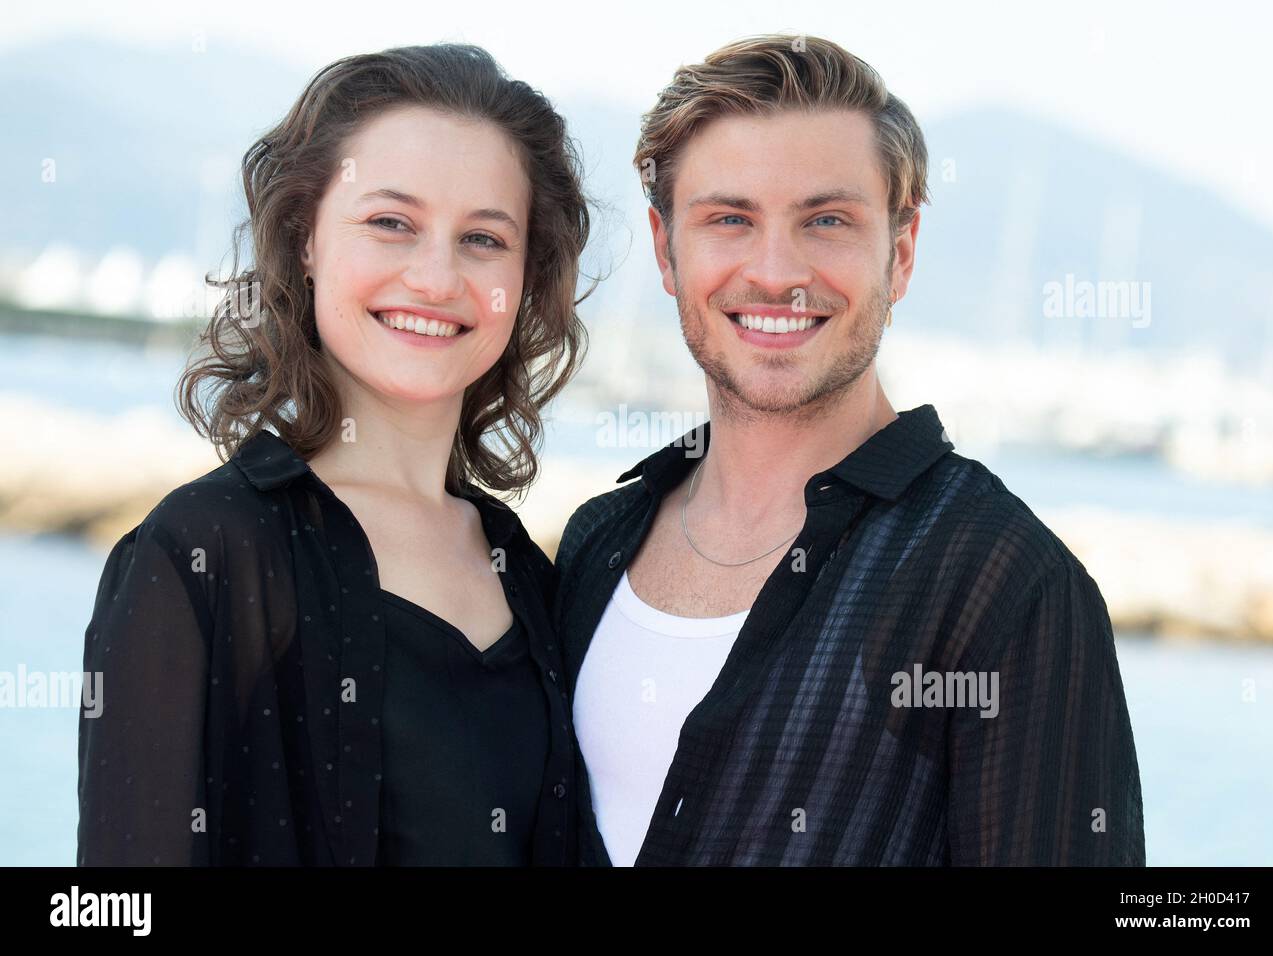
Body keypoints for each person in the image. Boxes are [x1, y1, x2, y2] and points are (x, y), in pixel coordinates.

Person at [554, 34, 1145, 866]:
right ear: (665, 250)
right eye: (730, 219)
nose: (776, 272)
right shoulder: (596, 541)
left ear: (899, 256)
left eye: (826, 221)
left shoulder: (1004, 584)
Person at [77, 44, 591, 866]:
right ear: (305, 238)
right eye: (391, 223)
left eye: (484, 238)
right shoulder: (204, 554)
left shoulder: (530, 575)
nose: (435, 276)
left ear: (528, 277)